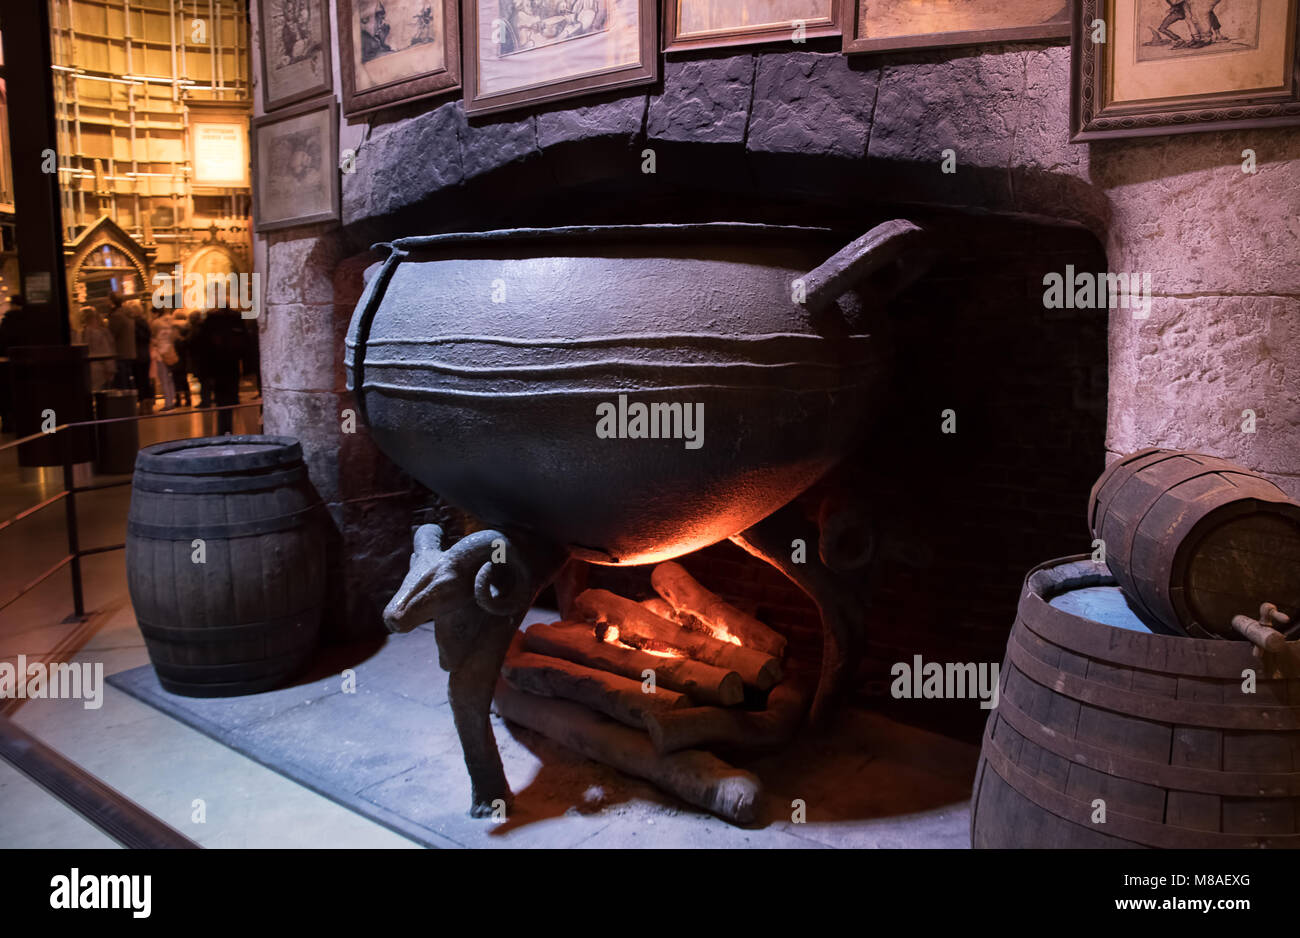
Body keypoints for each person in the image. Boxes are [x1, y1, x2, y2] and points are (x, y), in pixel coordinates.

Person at [194, 302, 249, 434]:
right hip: (230, 366)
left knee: (222, 402)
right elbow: (245, 344)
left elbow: (203, 349)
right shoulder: (235, 320)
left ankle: (224, 431)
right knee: (228, 401)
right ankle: (227, 430)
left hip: (219, 367)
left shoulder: (212, 321)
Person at [74, 306, 116, 392]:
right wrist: (110, 369)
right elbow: (105, 350)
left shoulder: (78, 334)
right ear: (94, 319)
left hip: (84, 369)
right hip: (98, 369)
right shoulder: (98, 334)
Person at [126, 299, 152, 411]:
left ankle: (142, 404)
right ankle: (148, 404)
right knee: (145, 380)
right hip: (145, 354)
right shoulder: (145, 322)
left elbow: (140, 337)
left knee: (139, 380)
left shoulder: (135, 324)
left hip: (138, 356)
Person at [106, 293, 137, 389]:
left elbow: (110, 334)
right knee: (128, 378)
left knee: (122, 381)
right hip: (129, 352)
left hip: (120, 352)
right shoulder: (127, 314)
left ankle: (124, 402)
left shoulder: (117, 316)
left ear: (112, 302)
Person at [150, 308, 177, 410]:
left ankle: (168, 403)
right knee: (170, 379)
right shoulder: (171, 321)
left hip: (160, 354)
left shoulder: (156, 323)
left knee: (164, 378)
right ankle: (172, 399)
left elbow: (153, 339)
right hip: (170, 352)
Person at [170, 308, 192, 407]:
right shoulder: (188, 326)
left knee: (175, 379)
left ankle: (178, 399)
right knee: (184, 379)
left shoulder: (172, 327)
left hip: (175, 354)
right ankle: (188, 399)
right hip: (185, 356)